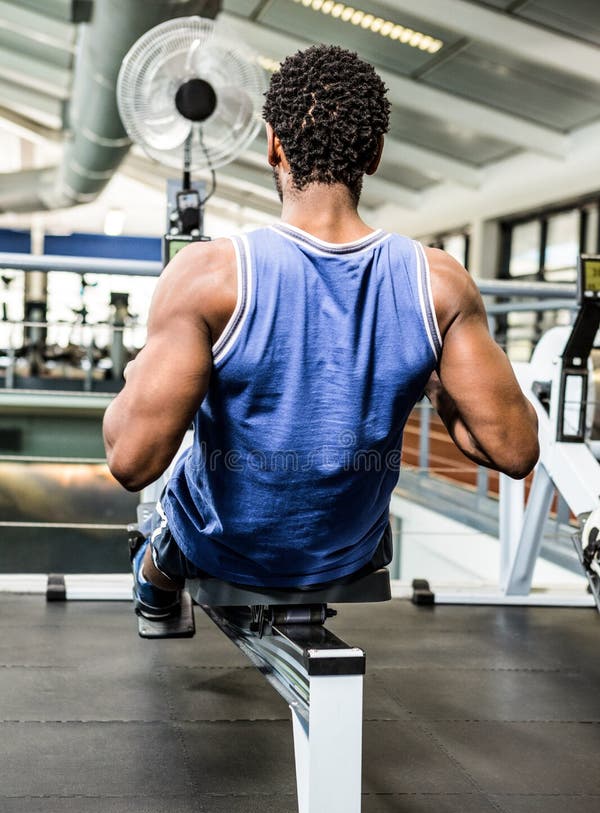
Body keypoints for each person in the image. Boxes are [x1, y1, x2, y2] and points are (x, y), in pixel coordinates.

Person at [103, 44, 539, 620]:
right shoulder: (438, 283)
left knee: (173, 479)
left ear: (273, 146)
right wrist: (433, 377)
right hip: (350, 550)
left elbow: (131, 462)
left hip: (224, 548)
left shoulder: (207, 275)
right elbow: (514, 449)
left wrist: (141, 373)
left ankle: (158, 570)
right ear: (375, 154)